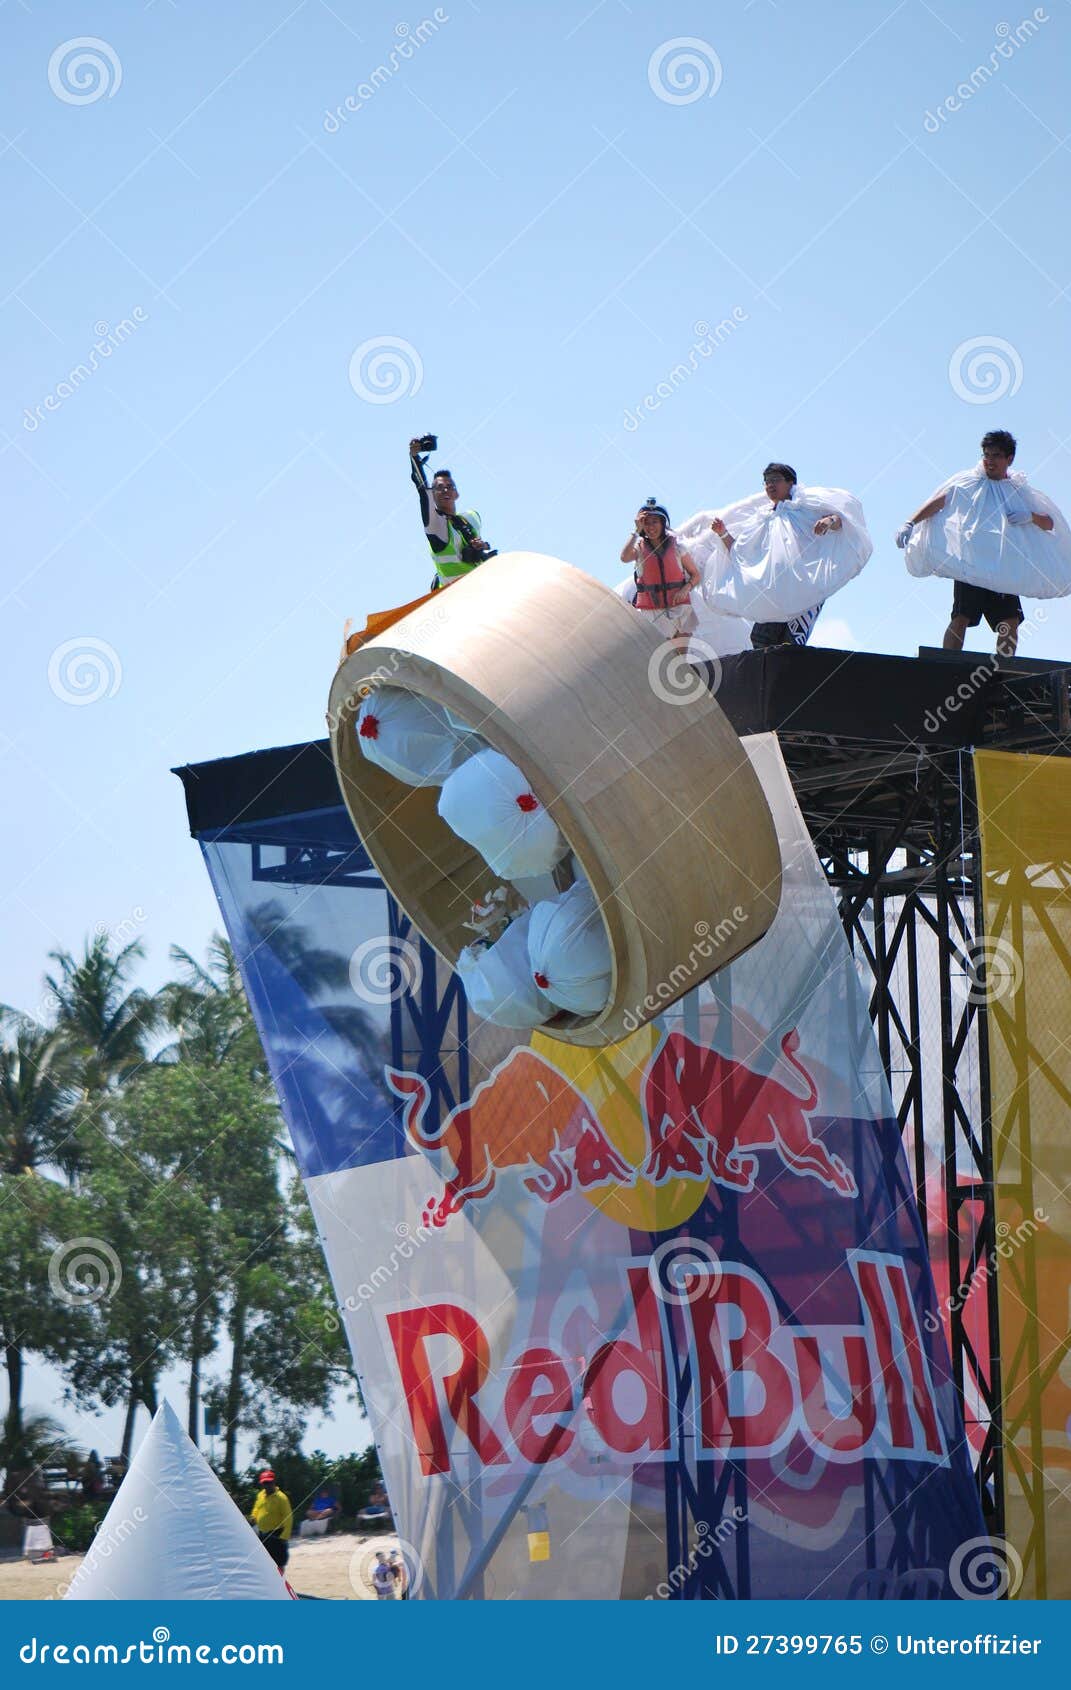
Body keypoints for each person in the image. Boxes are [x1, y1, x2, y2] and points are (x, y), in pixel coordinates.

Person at [896, 430, 1066, 657]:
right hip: (971, 564)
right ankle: (947, 665)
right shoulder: (969, 482)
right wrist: (910, 522)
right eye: (986, 455)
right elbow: (939, 502)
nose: (989, 460)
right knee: (961, 617)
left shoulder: (1017, 490)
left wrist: (1030, 516)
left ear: (1009, 459)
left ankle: (1003, 670)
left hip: (1003, 567)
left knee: (1010, 621)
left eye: (996, 455)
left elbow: (1049, 524)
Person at [700, 463, 871, 649]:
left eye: (775, 480)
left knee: (791, 643)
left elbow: (841, 521)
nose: (769, 485)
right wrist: (723, 533)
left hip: (805, 590)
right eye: (766, 482)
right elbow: (739, 552)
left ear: (791, 483)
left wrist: (828, 521)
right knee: (761, 641)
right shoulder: (762, 519)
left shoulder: (805, 506)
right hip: (771, 596)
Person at [409, 438, 495, 590]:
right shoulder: (437, 527)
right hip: (454, 597)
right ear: (433, 495)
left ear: (457, 494)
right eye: (439, 488)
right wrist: (414, 458)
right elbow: (423, 491)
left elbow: (480, 548)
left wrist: (483, 546)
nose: (445, 490)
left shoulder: (471, 518)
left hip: (481, 590)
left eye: (450, 487)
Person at [620, 498, 701, 649]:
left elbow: (695, 575)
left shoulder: (678, 547)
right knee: (661, 657)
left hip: (680, 609)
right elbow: (624, 558)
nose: (651, 527)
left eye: (654, 522)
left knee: (680, 658)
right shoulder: (639, 549)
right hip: (652, 612)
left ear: (663, 523)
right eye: (647, 523)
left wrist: (685, 589)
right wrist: (636, 531)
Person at [249, 1469, 293, 1571]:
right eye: (265, 1483)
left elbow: (288, 1517)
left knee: (279, 1563)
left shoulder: (281, 1498)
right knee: (264, 1563)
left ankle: (281, 1584)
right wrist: (253, 1517)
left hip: (277, 1535)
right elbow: (256, 1508)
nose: (267, 1485)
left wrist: (284, 1537)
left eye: (269, 1482)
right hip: (262, 1534)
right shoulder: (260, 1495)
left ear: (274, 1482)